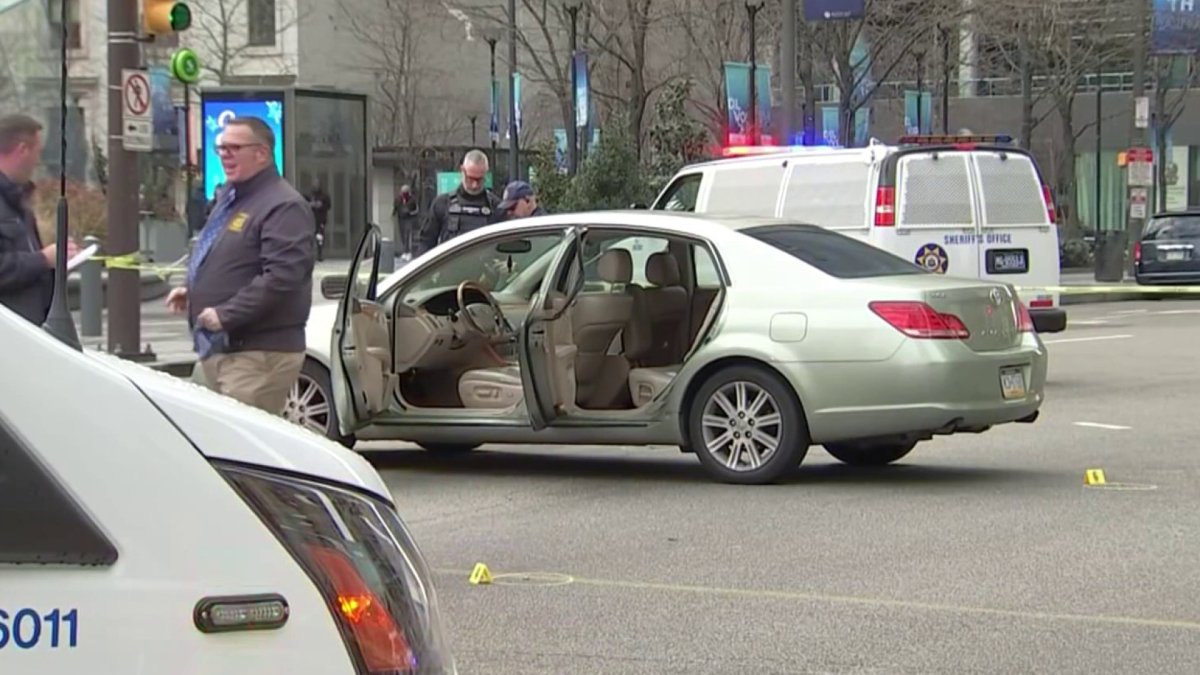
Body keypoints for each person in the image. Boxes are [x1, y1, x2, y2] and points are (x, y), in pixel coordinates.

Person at [165, 116, 315, 416]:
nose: (224, 155)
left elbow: (283, 277)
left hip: (257, 354)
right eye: (220, 148)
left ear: (261, 153)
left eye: (234, 147)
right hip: (225, 349)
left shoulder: (283, 205)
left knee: (242, 452)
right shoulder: (231, 199)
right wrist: (193, 291)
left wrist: (226, 313)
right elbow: (230, 257)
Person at [0, 113, 77, 325]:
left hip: (27, 331)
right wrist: (43, 259)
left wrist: (56, 264)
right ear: (22, 150)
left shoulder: (16, 200)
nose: (38, 161)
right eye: (37, 152)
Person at [416, 149, 501, 255]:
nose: (475, 185)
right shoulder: (442, 204)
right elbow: (426, 243)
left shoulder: (496, 207)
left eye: (479, 179)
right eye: (471, 179)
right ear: (462, 171)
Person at [393, 184, 419, 258]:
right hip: (401, 219)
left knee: (407, 234)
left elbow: (416, 209)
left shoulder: (412, 199)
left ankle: (408, 251)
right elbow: (396, 207)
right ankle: (404, 250)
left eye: (405, 192)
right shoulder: (398, 199)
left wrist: (410, 213)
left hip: (409, 218)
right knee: (402, 234)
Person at [307, 182, 331, 261]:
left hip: (320, 220)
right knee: (310, 238)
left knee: (320, 237)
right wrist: (311, 204)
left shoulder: (324, 197)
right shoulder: (310, 196)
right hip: (311, 220)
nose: (315, 187)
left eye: (316, 185)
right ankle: (310, 254)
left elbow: (328, 205)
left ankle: (319, 254)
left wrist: (320, 205)